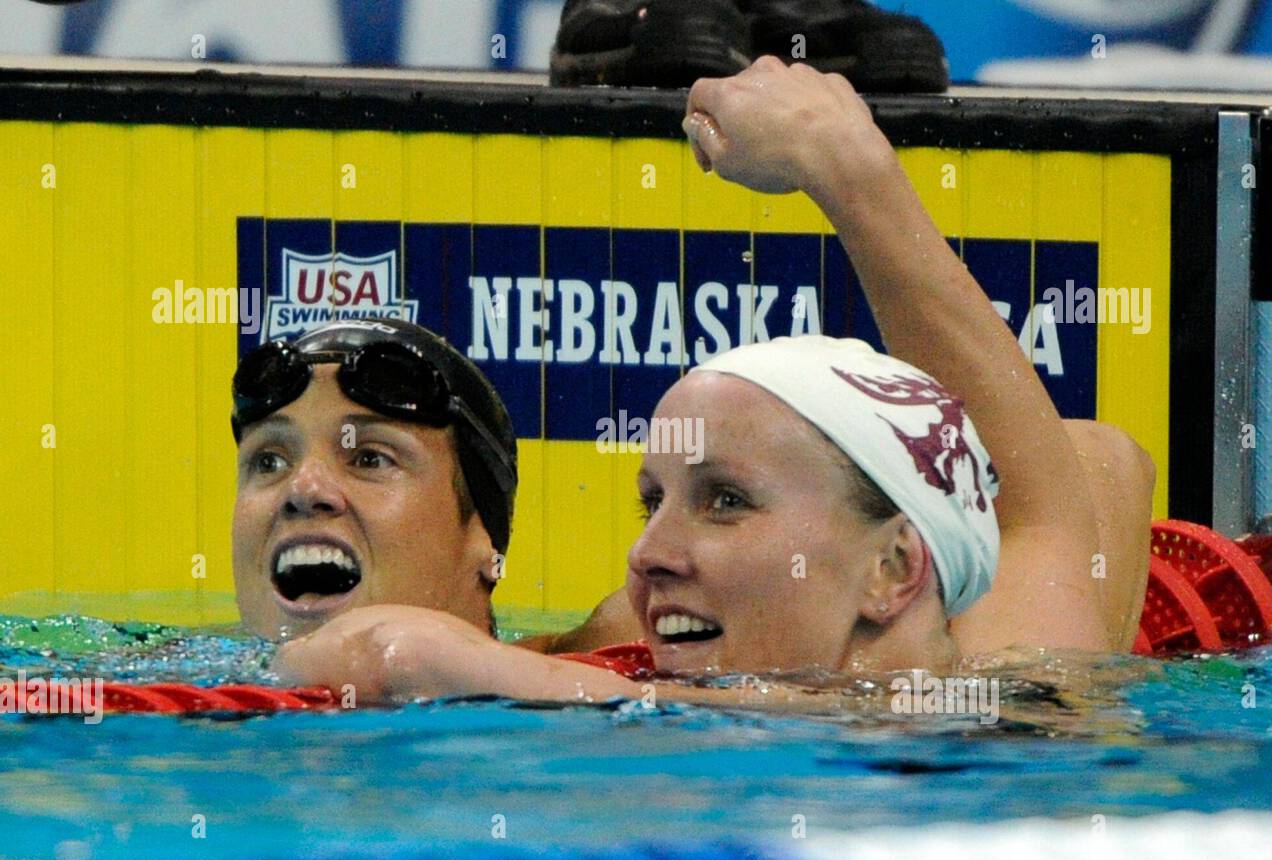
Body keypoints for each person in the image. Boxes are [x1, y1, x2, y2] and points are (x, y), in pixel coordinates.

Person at [272, 57, 1156, 709]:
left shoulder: (1016, 702)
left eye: (725, 498)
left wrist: (845, 164)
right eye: (649, 499)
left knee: (1096, 464)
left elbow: (1046, 510)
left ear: (892, 566)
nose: (646, 553)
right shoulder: (654, 639)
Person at [230, 317, 518, 643]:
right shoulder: (174, 666)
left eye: (370, 459)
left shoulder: (569, 681)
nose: (303, 488)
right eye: (269, 462)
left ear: (485, 542)